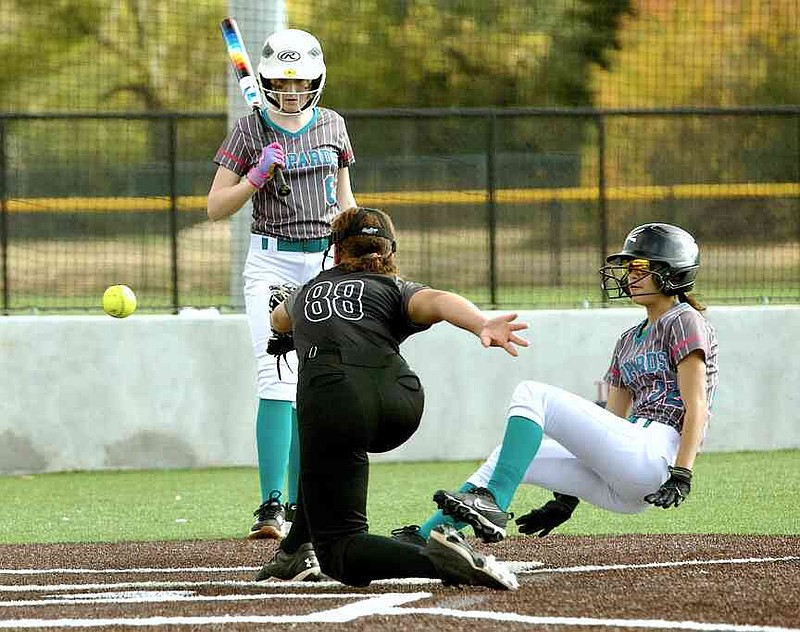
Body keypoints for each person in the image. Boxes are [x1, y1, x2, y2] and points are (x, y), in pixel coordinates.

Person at [393, 222, 718, 545]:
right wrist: (567, 499)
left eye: (640, 267)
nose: (630, 275)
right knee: (504, 456)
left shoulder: (684, 319)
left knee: (532, 394)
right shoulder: (628, 340)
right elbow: (612, 423)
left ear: (672, 272)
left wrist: (682, 474)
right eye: (629, 268)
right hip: (629, 471)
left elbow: (697, 406)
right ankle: (425, 538)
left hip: (659, 454)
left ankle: (494, 504)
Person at [255, 206, 527, 589]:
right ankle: (295, 549)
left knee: (339, 551)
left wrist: (289, 317)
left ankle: (440, 560)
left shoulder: (307, 291)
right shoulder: (394, 287)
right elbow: (439, 300)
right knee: (324, 466)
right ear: (389, 252)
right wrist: (482, 322)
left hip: (336, 402)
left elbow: (278, 319)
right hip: (401, 401)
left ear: (336, 251)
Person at [207, 28, 357, 539]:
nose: (291, 92)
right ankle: (271, 506)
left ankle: (301, 506)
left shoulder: (333, 124)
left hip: (324, 265)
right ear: (266, 81)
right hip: (272, 264)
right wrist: (253, 179)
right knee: (277, 378)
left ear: (317, 81)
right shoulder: (248, 132)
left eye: (301, 82)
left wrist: (358, 247)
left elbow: (345, 199)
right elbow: (214, 207)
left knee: (315, 384)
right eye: (281, 82)